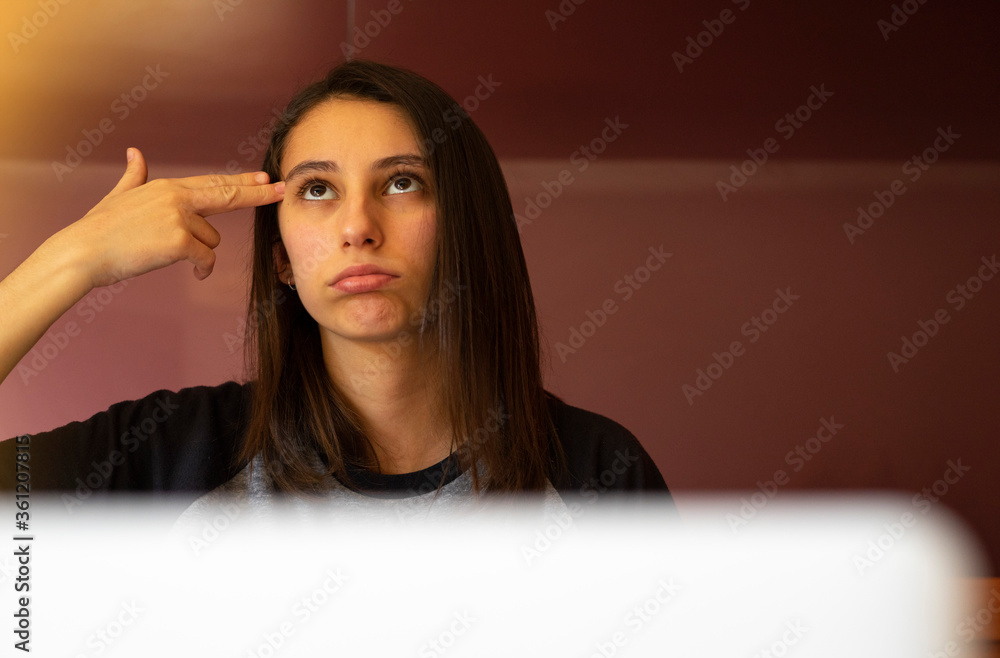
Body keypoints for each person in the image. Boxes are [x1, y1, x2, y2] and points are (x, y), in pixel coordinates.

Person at [0, 60, 669, 515]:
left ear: (468, 226)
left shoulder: (596, 472)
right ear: (282, 259)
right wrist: (73, 258)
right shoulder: (169, 453)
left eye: (402, 182)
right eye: (318, 189)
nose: (357, 227)